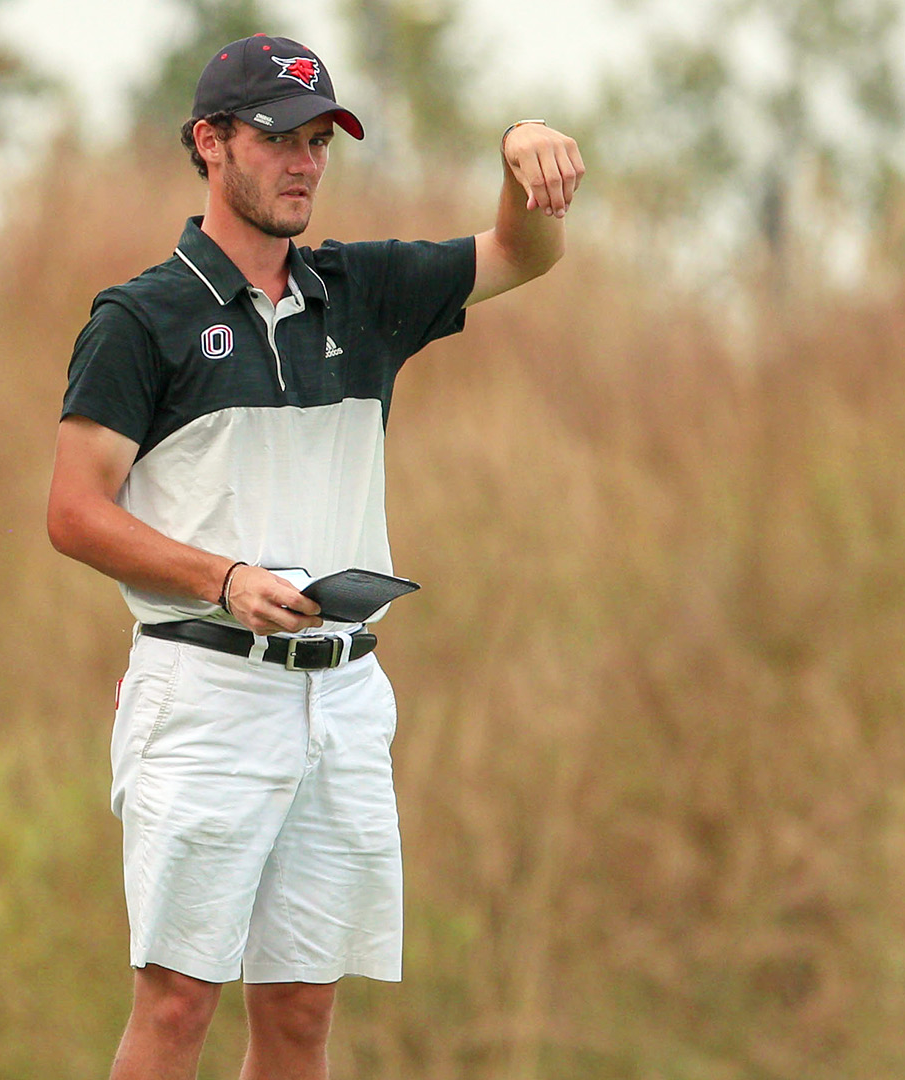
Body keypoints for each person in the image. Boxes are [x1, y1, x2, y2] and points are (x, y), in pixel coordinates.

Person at [46, 34, 584, 1080]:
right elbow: (73, 512)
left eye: (320, 140)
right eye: (277, 137)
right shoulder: (140, 318)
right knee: (177, 1006)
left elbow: (525, 254)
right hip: (205, 693)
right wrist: (223, 577)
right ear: (209, 142)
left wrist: (521, 144)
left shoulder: (363, 290)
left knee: (299, 1013)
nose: (303, 161)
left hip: (341, 698)